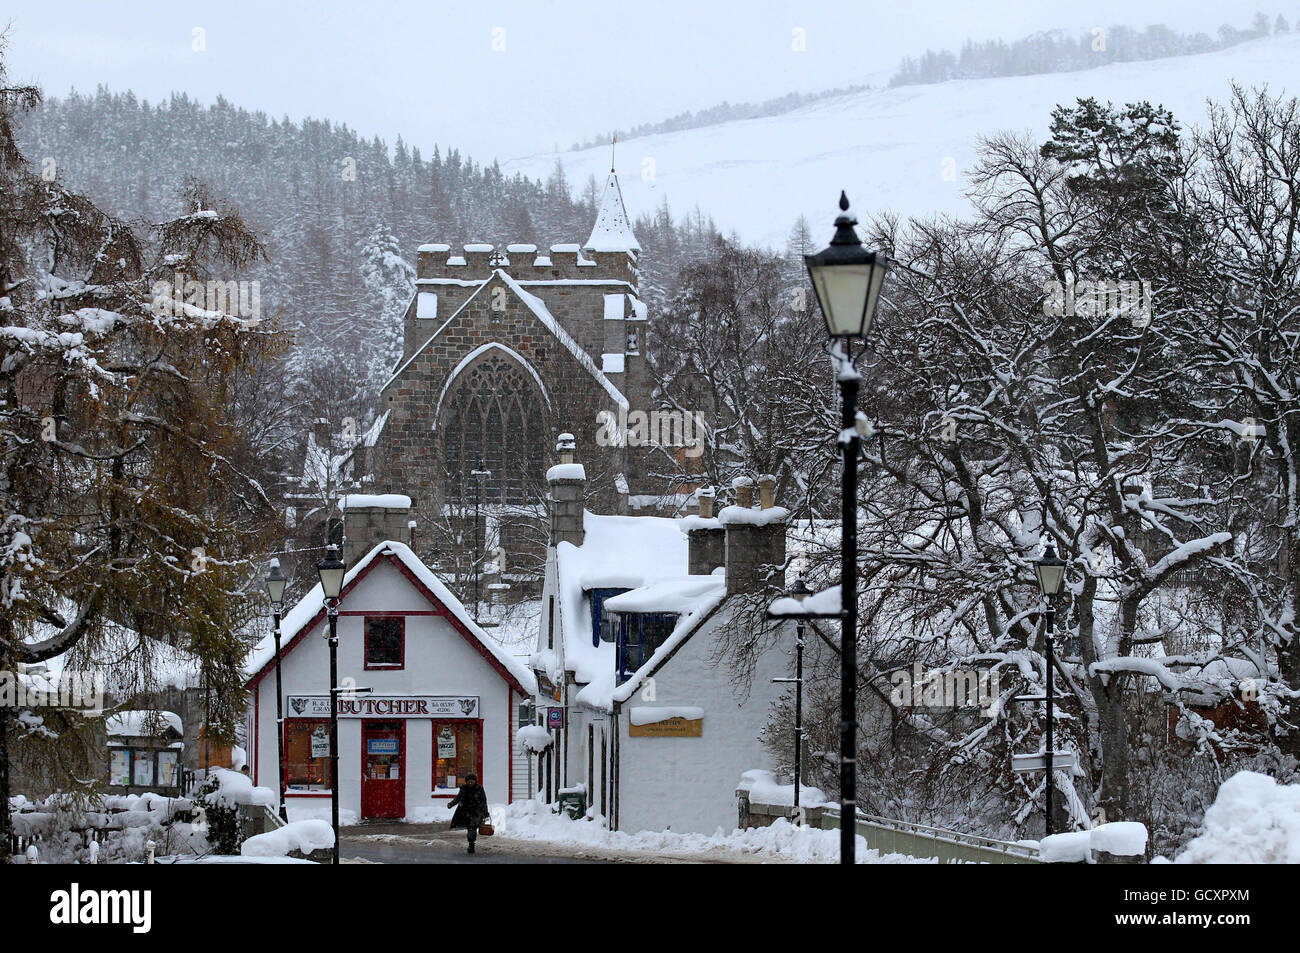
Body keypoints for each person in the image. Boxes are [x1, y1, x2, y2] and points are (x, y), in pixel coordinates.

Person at [448, 773, 489, 854]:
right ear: (466, 782)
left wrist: (485, 812)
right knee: (469, 827)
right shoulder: (463, 788)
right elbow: (458, 798)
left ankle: (471, 845)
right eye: (468, 782)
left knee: (472, 827)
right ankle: (471, 843)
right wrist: (451, 804)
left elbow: (484, 801)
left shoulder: (479, 788)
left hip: (477, 812)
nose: (470, 783)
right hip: (466, 812)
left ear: (475, 781)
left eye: (472, 782)